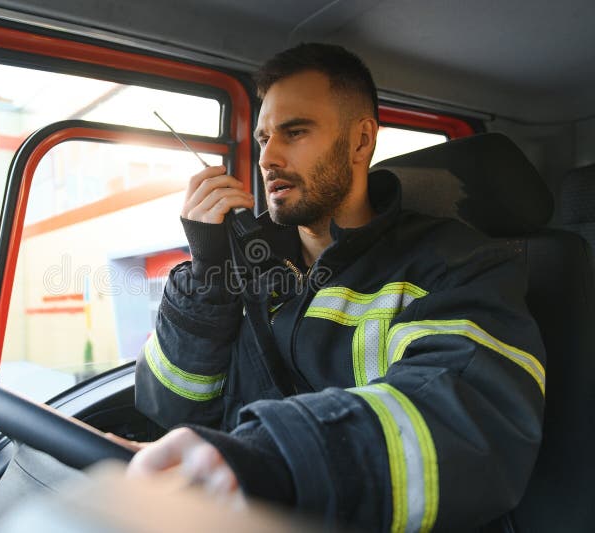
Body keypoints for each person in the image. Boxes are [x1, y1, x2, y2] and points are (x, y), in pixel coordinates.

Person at [129, 43, 546, 532]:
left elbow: (466, 421)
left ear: (360, 140)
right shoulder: (245, 265)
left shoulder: (455, 262)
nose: (269, 157)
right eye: (264, 138)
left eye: (295, 132)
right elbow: (169, 404)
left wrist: (271, 463)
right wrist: (205, 275)